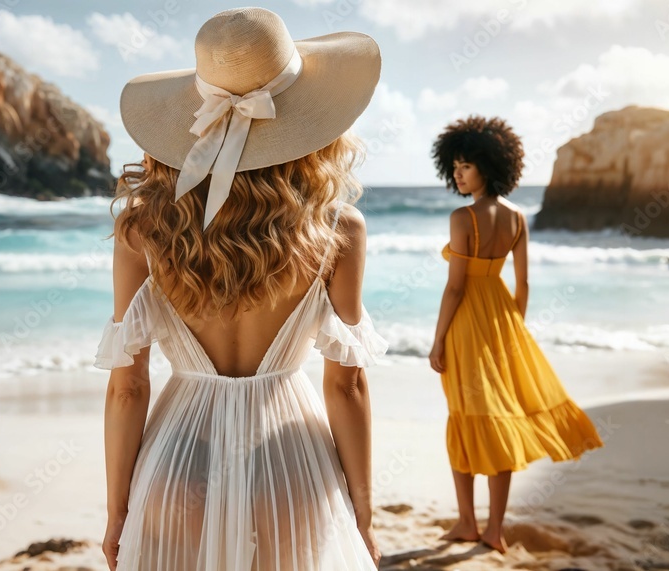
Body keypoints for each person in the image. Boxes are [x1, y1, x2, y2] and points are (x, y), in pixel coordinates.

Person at [94, 8, 388, 570]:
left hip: (180, 462)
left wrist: (117, 511)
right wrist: (364, 515)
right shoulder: (338, 230)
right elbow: (346, 387)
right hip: (289, 461)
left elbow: (127, 388)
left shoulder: (142, 228)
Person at [428, 115, 604, 553]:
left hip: (468, 321)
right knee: (499, 417)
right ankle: (492, 530)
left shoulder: (462, 217)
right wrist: (513, 330)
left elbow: (455, 286)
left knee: (467, 417)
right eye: (455, 167)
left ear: (488, 166)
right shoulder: (518, 218)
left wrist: (436, 340)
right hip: (503, 320)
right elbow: (523, 284)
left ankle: (469, 522)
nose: (458, 174)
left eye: (465, 166)